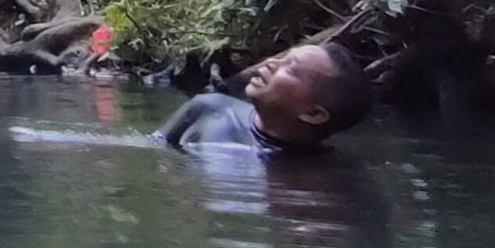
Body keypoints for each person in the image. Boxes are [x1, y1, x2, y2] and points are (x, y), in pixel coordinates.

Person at [155, 41, 374, 154]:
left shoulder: (319, 175)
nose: (271, 62)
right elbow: (155, 148)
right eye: (283, 57)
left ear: (313, 114)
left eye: (290, 69)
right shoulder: (208, 108)